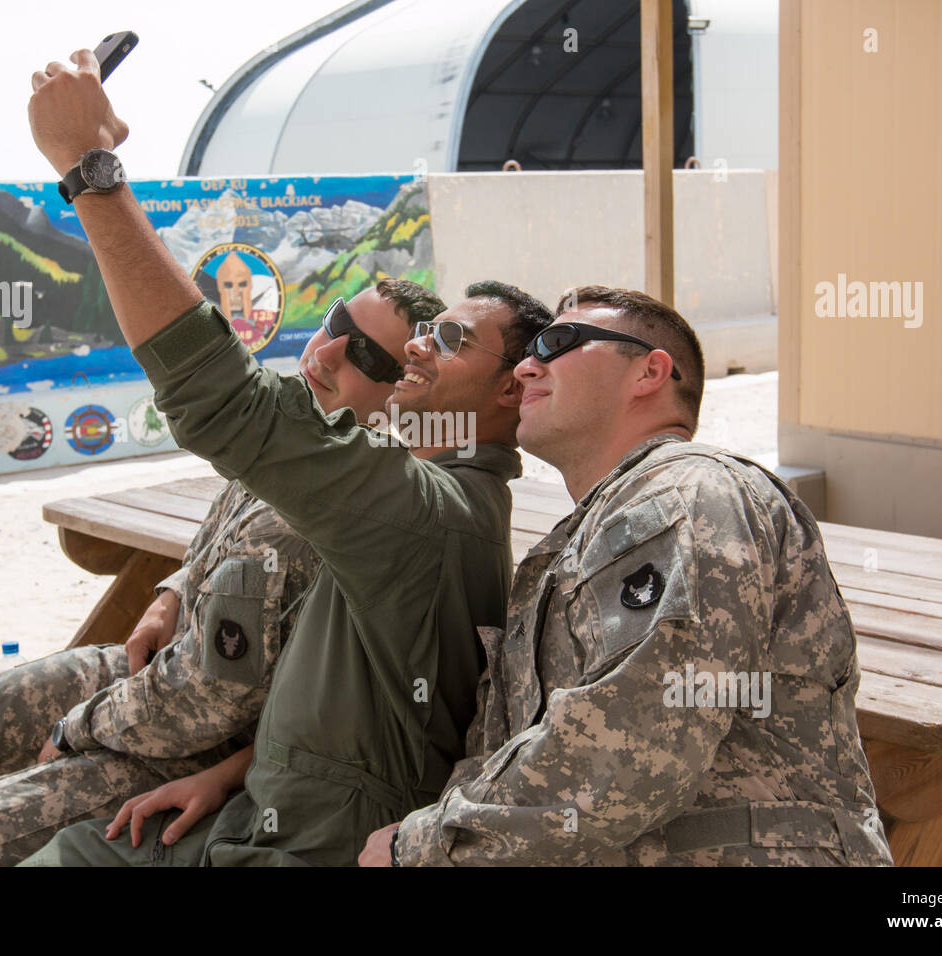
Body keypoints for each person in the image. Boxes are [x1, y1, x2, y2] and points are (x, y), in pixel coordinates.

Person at [13, 49, 554, 865]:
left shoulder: (427, 510)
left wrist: (91, 174)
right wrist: (231, 774)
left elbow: (224, 400)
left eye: (448, 340)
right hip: (254, 809)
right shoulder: (438, 496)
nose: (416, 351)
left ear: (511, 391)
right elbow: (361, 699)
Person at [0, 279, 439, 866]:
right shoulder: (297, 433)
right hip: (161, 680)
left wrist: (75, 729)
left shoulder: (329, 494)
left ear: (403, 388)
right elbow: (218, 550)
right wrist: (172, 590)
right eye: (338, 323)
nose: (328, 351)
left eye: (365, 355)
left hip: (211, 738)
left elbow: (209, 697)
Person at [361, 286, 895, 866]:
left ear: (649, 371)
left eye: (558, 342)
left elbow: (634, 743)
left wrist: (420, 848)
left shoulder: (688, 492)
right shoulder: (579, 542)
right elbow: (503, 755)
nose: (526, 364)